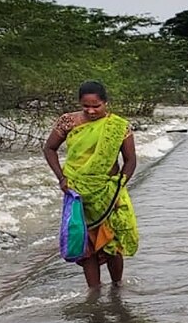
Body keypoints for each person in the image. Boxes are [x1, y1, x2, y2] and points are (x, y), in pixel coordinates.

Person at [44, 80, 139, 289]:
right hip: (77, 192)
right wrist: (61, 178)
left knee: (112, 243)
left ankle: (117, 287)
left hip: (109, 191)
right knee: (86, 246)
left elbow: (130, 160)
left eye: (96, 106)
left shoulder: (119, 127)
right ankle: (94, 293)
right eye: (86, 106)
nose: (91, 110)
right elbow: (49, 148)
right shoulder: (68, 122)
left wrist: (120, 184)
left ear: (106, 103)